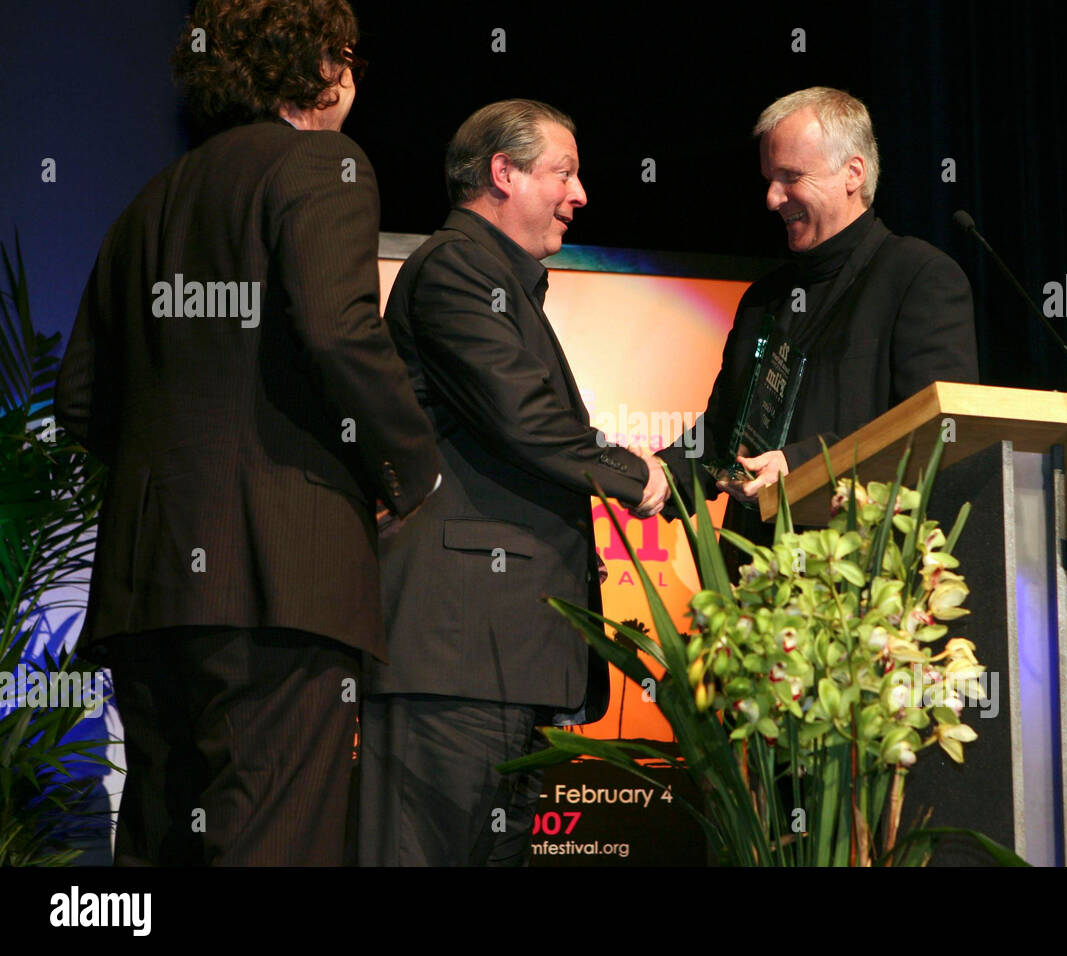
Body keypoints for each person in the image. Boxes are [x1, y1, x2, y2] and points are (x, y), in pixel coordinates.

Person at [53, 0, 441, 865]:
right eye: (347, 55)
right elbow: (340, 333)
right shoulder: (324, 164)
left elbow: (79, 399)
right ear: (317, 65)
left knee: (159, 844)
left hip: (149, 587)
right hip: (279, 580)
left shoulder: (148, 202)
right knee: (274, 837)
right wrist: (412, 472)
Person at [359, 99, 668, 866]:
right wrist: (639, 477)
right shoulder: (456, 267)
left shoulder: (500, 281)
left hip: (497, 661)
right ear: (503, 173)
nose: (580, 193)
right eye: (563, 172)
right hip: (453, 654)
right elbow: (523, 418)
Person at [660, 86, 979, 550]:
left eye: (790, 177)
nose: (772, 198)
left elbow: (936, 431)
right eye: (770, 178)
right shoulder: (764, 299)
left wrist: (802, 463)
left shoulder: (918, 277)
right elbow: (723, 437)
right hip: (755, 578)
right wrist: (653, 477)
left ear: (853, 173)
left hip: (858, 574)